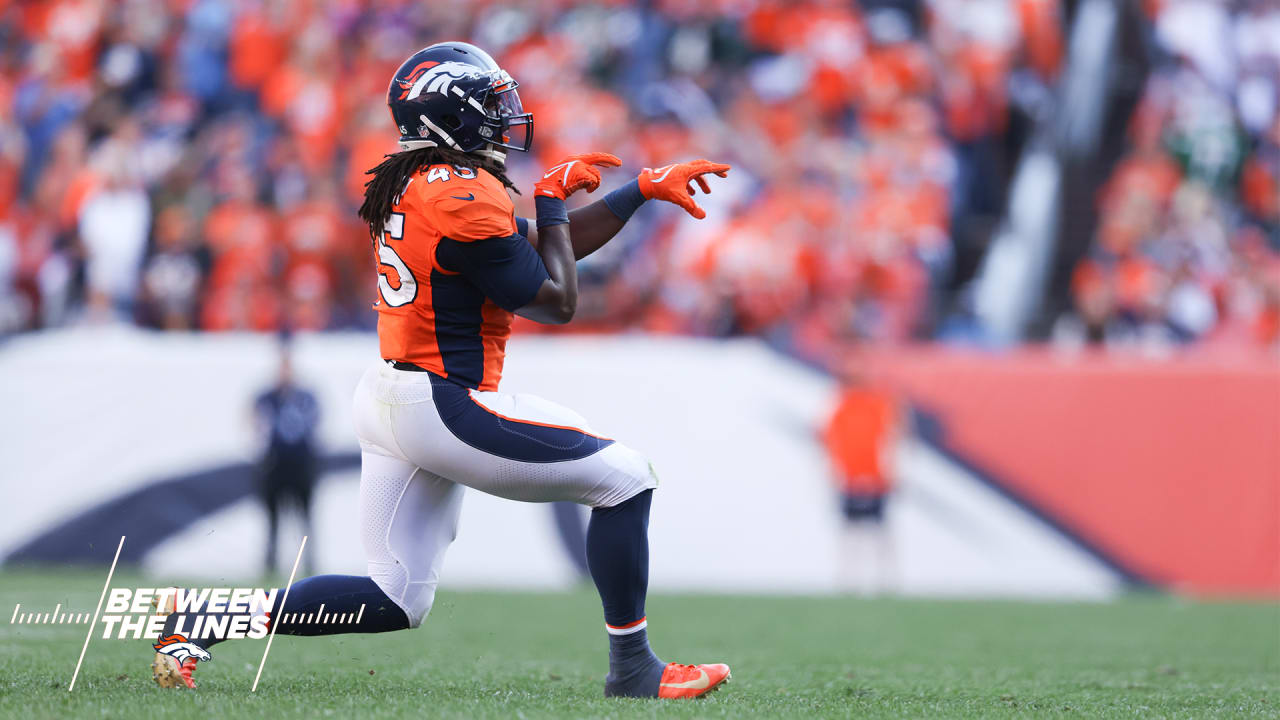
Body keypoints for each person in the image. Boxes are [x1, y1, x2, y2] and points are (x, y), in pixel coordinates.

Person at [151, 41, 732, 699]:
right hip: (440, 401)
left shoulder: (419, 179)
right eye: (490, 102)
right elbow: (557, 298)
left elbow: (532, 250)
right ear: (449, 114)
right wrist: (549, 199)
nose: (506, 112)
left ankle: (205, 617)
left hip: (394, 393)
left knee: (396, 598)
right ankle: (633, 669)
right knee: (627, 478)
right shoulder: (461, 194)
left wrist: (641, 191)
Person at [823, 367, 904, 594]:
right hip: (850, 479)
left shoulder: (879, 405)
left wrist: (891, 472)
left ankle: (887, 580)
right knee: (851, 531)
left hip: (876, 478)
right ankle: (849, 579)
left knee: (879, 530)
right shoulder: (841, 407)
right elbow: (831, 442)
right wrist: (836, 474)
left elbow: (892, 438)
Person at [253, 342, 320, 576]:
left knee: (305, 519)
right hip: (275, 465)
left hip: (300, 466)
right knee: (273, 520)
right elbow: (256, 423)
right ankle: (270, 564)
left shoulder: (305, 398)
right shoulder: (267, 397)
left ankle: (309, 563)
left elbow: (312, 426)